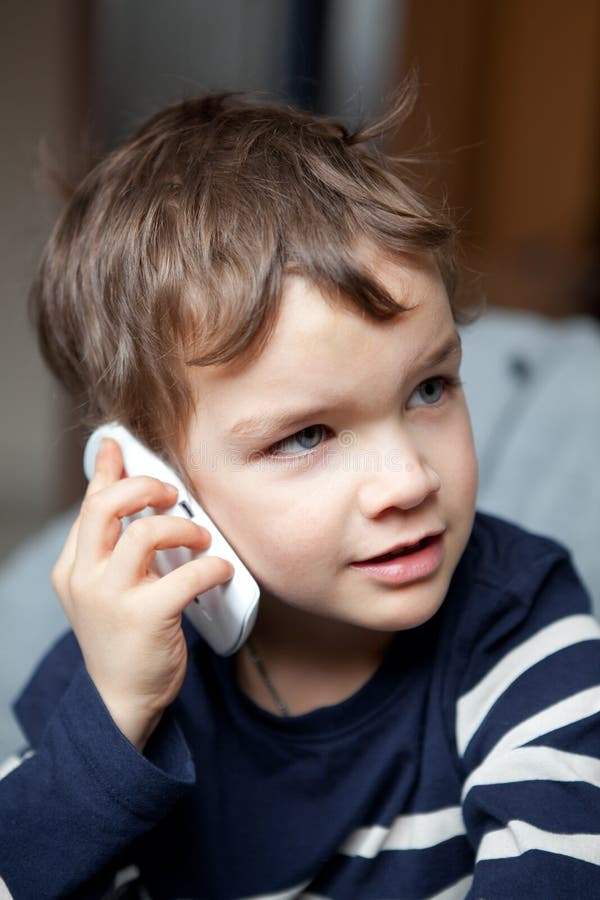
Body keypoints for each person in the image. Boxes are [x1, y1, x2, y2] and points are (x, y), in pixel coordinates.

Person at [0, 89, 599, 900]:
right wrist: (113, 715)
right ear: (155, 484)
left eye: (429, 388)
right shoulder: (118, 675)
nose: (410, 481)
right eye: (307, 436)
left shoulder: (520, 621)